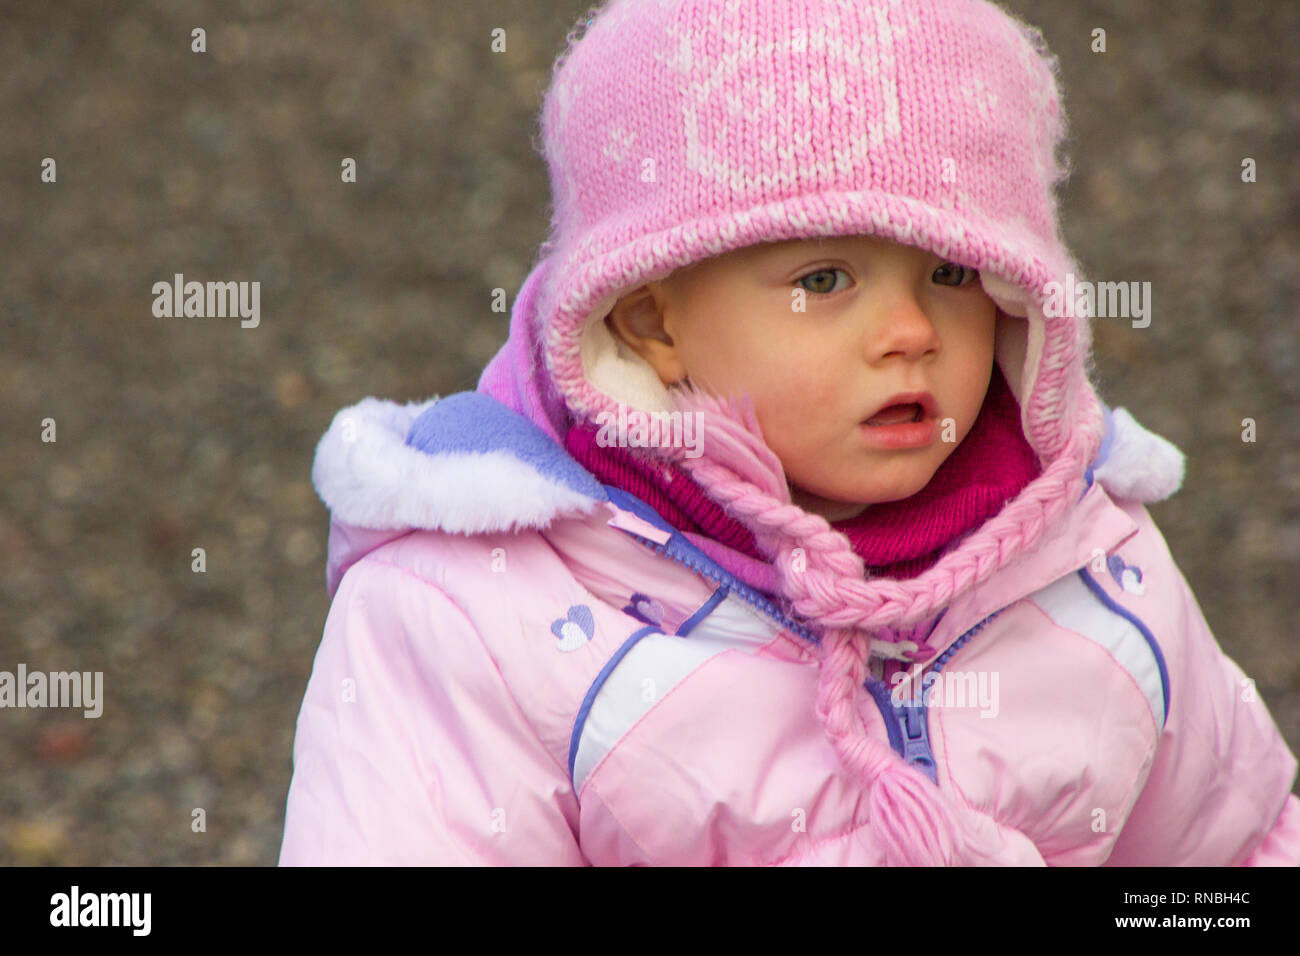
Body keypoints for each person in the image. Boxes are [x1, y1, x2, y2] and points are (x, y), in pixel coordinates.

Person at [278, 0, 1299, 865]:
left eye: (951, 271)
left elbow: (1237, 847)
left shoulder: (1092, 559)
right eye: (823, 279)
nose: (908, 333)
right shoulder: (478, 613)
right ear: (648, 315)